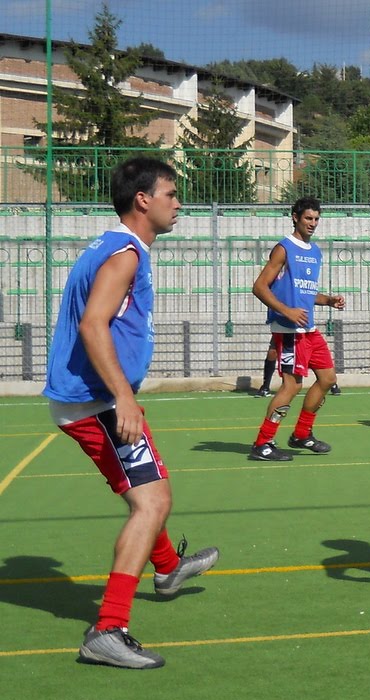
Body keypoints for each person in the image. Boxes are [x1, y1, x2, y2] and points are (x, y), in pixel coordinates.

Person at [43, 157, 220, 669]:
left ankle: (167, 567)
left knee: (147, 493)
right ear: (142, 199)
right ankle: (108, 628)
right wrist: (122, 395)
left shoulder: (114, 246)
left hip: (90, 396)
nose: (178, 202)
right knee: (152, 501)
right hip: (94, 401)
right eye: (171, 193)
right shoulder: (124, 255)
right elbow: (94, 325)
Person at [248, 196, 346, 461]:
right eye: (308, 218)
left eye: (316, 219)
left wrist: (328, 300)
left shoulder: (314, 251)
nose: (313, 223)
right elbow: (259, 287)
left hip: (309, 330)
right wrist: (286, 311)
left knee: (327, 379)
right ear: (295, 217)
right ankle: (263, 442)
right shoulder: (284, 248)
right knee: (291, 387)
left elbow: (305, 293)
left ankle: (302, 434)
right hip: (289, 331)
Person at [255, 339, 338, 397]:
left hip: (304, 330)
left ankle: (330, 383)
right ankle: (266, 387)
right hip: (284, 329)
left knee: (312, 352)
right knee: (273, 352)